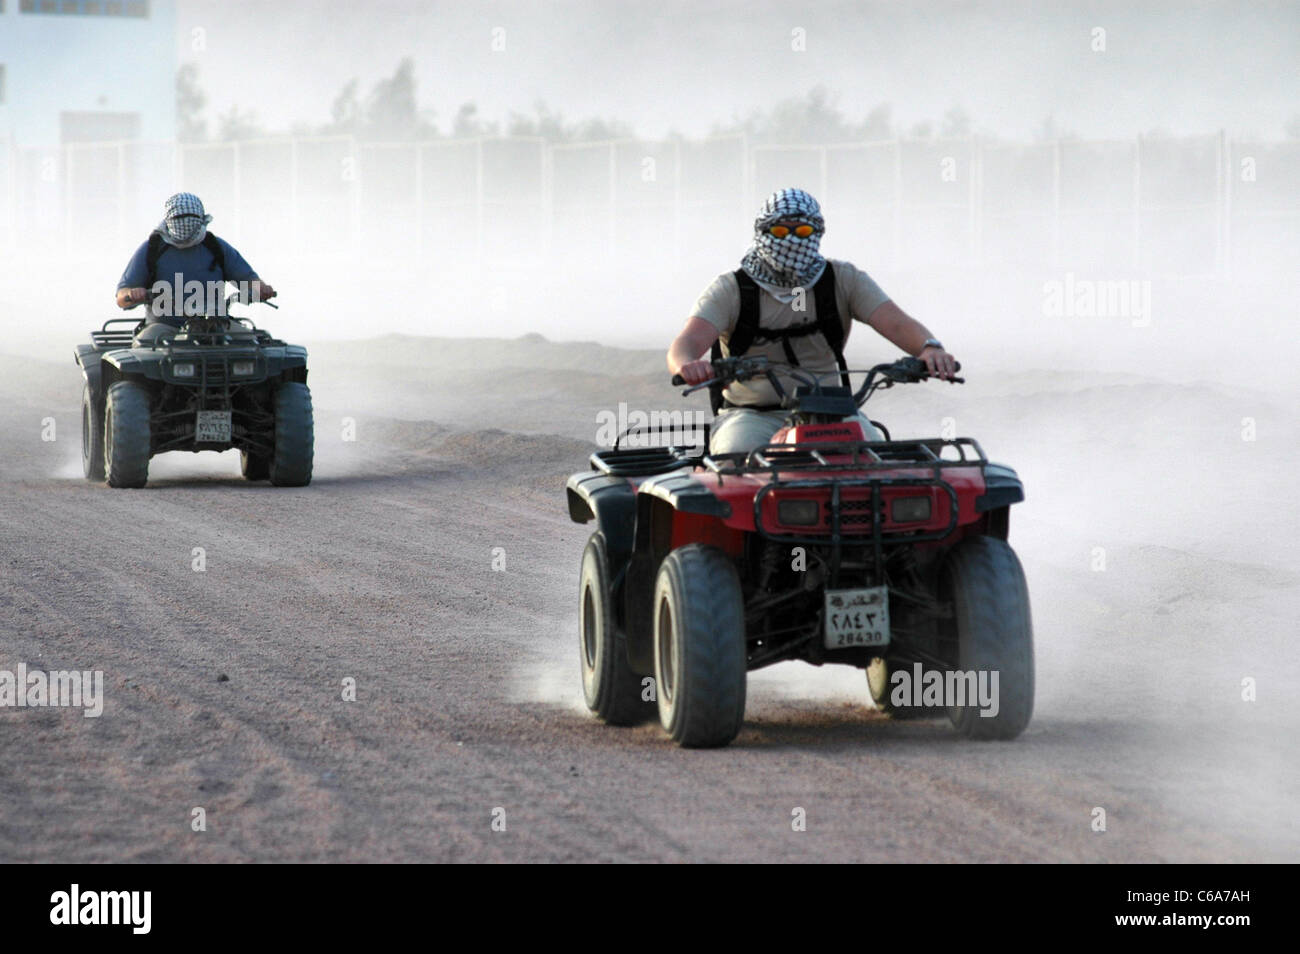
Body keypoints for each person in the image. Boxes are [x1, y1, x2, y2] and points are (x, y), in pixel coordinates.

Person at [666, 187, 959, 455]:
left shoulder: (843, 280)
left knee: (874, 456)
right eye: (780, 231)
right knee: (736, 458)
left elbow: (896, 323)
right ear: (762, 231)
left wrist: (929, 348)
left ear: (818, 233)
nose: (792, 240)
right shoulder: (731, 289)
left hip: (833, 411)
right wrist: (688, 364)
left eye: (803, 231)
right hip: (751, 415)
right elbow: (688, 341)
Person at [115, 192, 275, 342]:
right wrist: (132, 294)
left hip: (216, 325)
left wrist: (261, 289)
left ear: (201, 220)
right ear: (168, 221)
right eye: (179, 219)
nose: (185, 226)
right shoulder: (151, 249)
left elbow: (248, 279)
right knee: (145, 347)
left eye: (190, 219)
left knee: (250, 345)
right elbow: (121, 297)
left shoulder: (216, 247)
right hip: (165, 327)